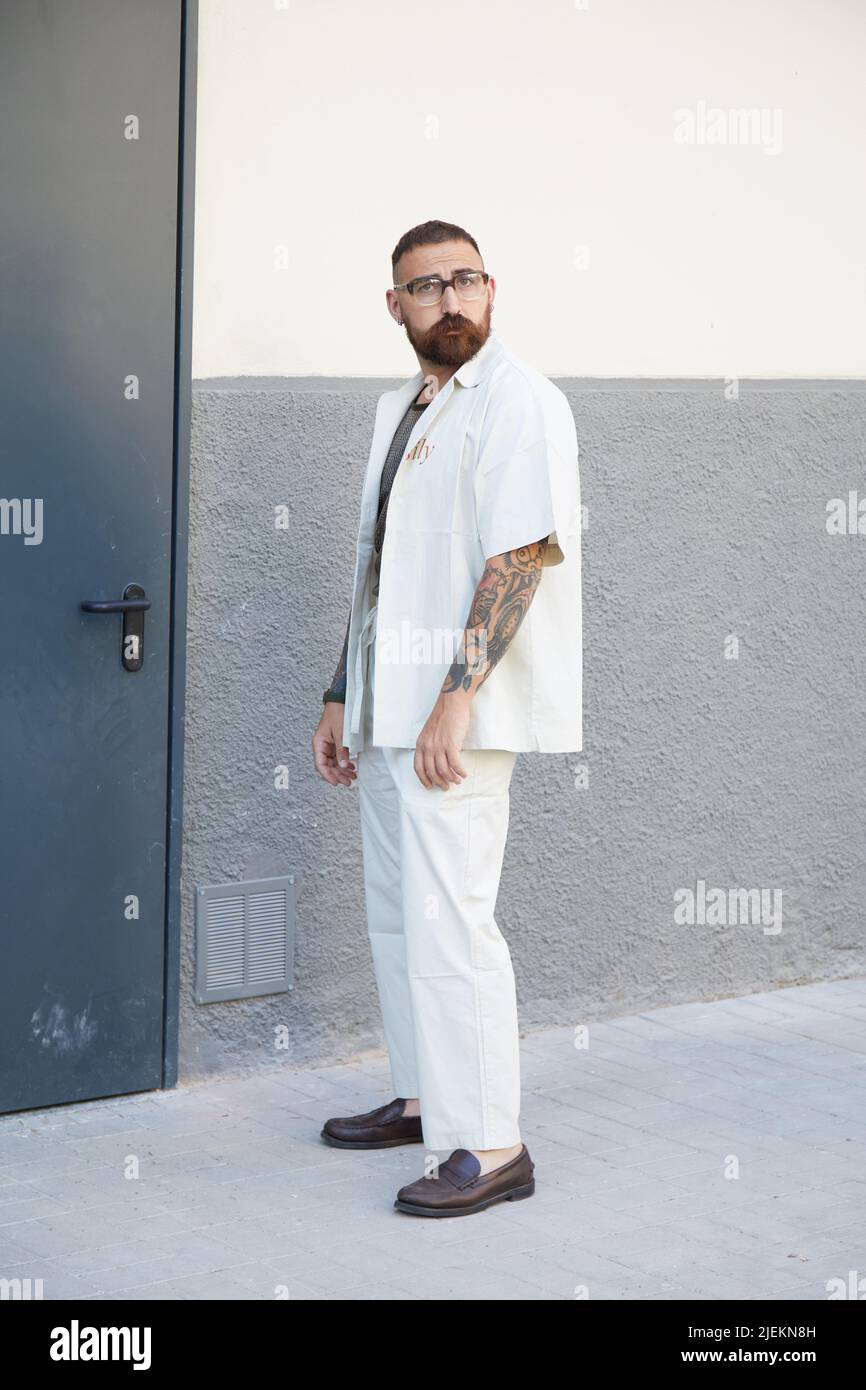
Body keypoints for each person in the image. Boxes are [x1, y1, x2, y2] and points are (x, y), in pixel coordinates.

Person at [311, 219, 582, 1217]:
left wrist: (455, 695)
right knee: (397, 913)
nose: (449, 299)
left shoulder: (519, 402)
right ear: (397, 307)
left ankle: (489, 1142)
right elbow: (379, 573)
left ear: (491, 288)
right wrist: (342, 691)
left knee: (452, 920)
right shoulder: (401, 408)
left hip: (453, 714)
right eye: (426, 286)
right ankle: (428, 1095)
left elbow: (518, 556)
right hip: (388, 708)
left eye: (464, 279)